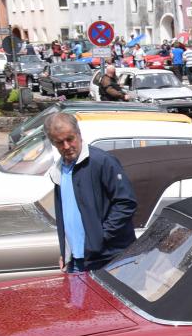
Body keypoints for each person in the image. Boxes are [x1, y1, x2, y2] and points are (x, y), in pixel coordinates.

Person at [44, 113, 136, 272]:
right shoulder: (59, 169)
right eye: (60, 142)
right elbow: (66, 215)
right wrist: (65, 252)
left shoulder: (102, 161)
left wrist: (99, 237)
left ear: (79, 134)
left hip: (107, 260)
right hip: (76, 262)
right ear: (53, 143)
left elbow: (126, 203)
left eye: (70, 139)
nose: (66, 146)